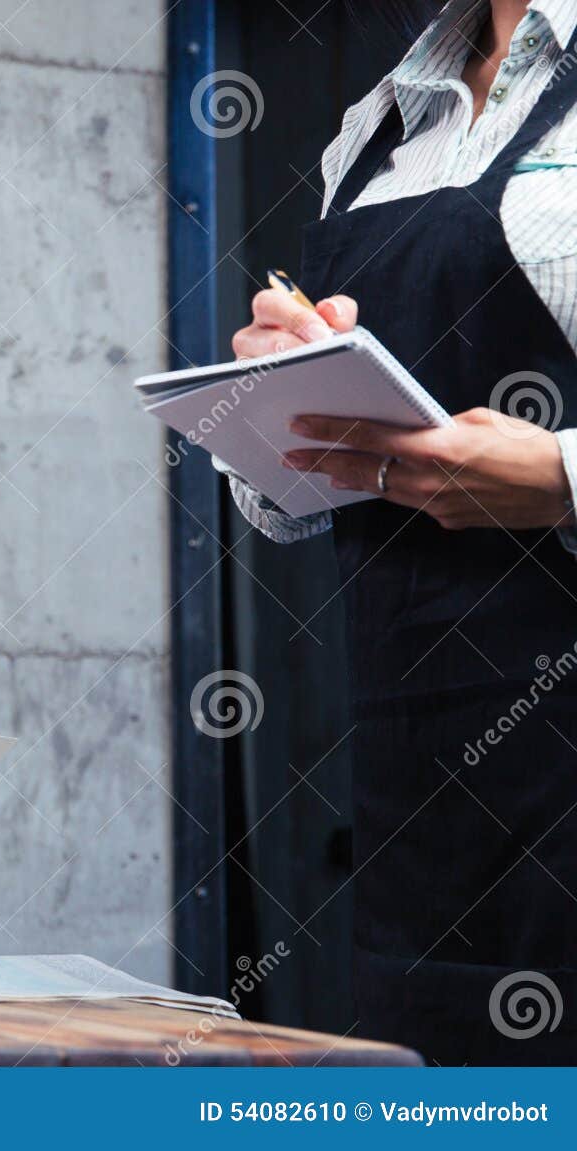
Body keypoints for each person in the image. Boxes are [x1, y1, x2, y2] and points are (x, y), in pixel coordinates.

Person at [222, 0, 577, 1063]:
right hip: (420, 786)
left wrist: (561, 478)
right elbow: (287, 500)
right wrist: (274, 398)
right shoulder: (370, 128)